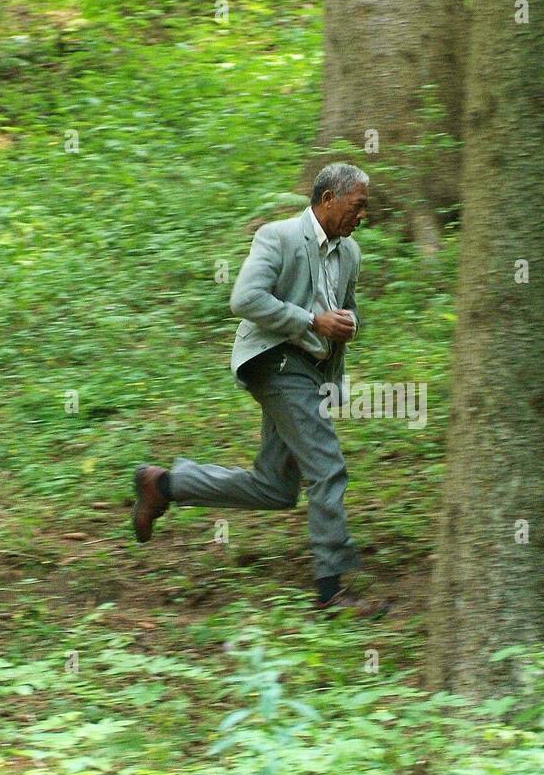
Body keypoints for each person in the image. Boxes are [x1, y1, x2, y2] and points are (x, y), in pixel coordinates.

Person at [132, 163, 379, 613]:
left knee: (275, 487)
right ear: (329, 199)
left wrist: (348, 323)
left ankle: (166, 485)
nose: (363, 215)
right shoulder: (279, 237)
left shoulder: (351, 254)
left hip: (314, 371)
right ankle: (333, 590)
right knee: (327, 469)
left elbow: (349, 309)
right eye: (358, 205)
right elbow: (245, 299)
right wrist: (310, 320)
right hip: (277, 363)